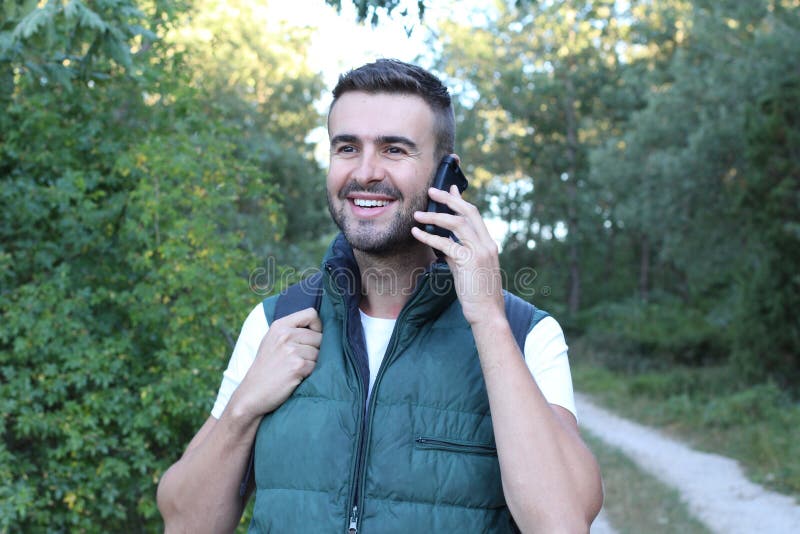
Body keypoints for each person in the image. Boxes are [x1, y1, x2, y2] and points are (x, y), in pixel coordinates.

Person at [157, 59, 603, 533]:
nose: (365, 172)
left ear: (445, 176)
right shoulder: (277, 324)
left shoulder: (523, 333)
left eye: (394, 149)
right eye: (347, 147)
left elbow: (563, 522)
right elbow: (185, 522)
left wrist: (488, 322)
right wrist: (244, 409)